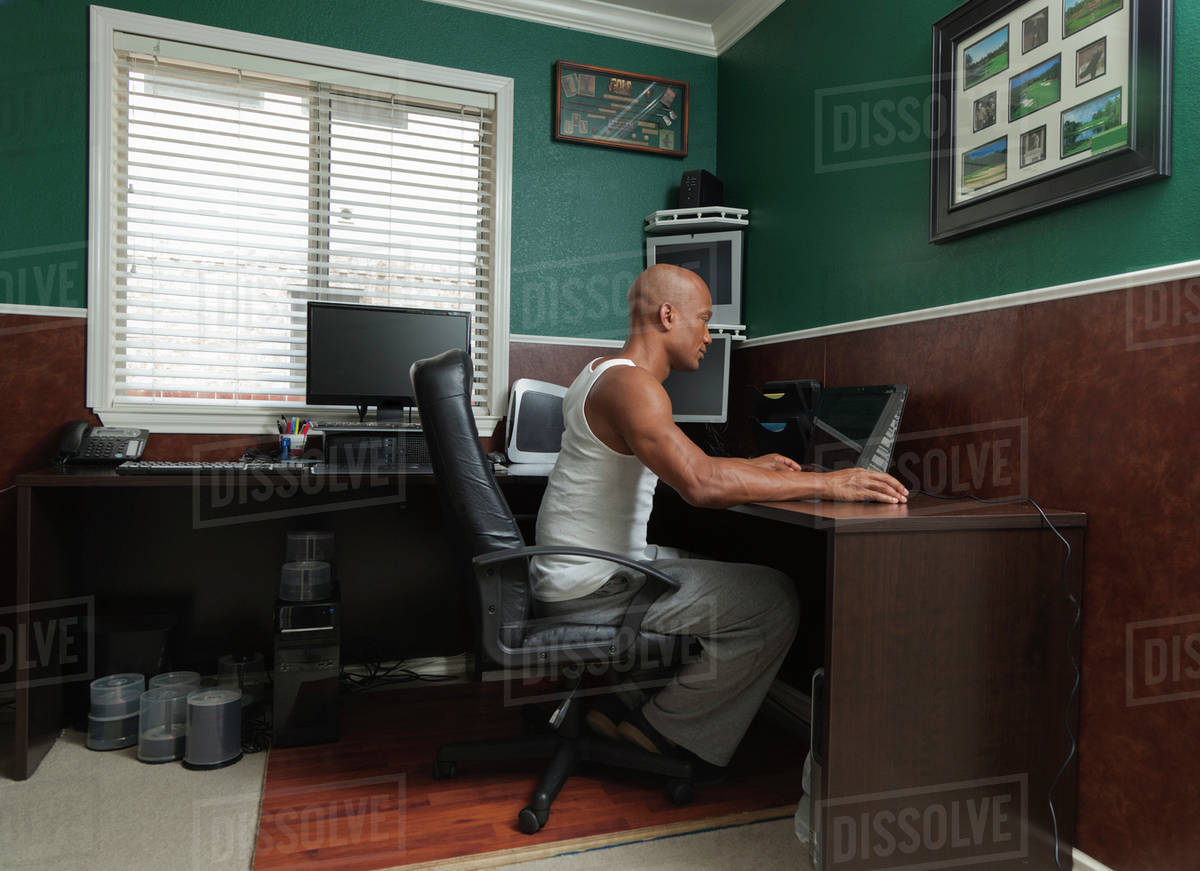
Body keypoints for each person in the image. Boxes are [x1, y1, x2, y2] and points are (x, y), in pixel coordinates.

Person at [530, 263, 909, 776]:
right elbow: (701, 484)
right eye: (704, 320)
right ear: (668, 315)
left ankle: (612, 704)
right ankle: (662, 731)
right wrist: (830, 482)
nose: (709, 336)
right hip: (595, 585)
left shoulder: (601, 373)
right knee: (773, 599)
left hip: (577, 571)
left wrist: (748, 467)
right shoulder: (637, 389)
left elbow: (690, 463)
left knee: (696, 560)